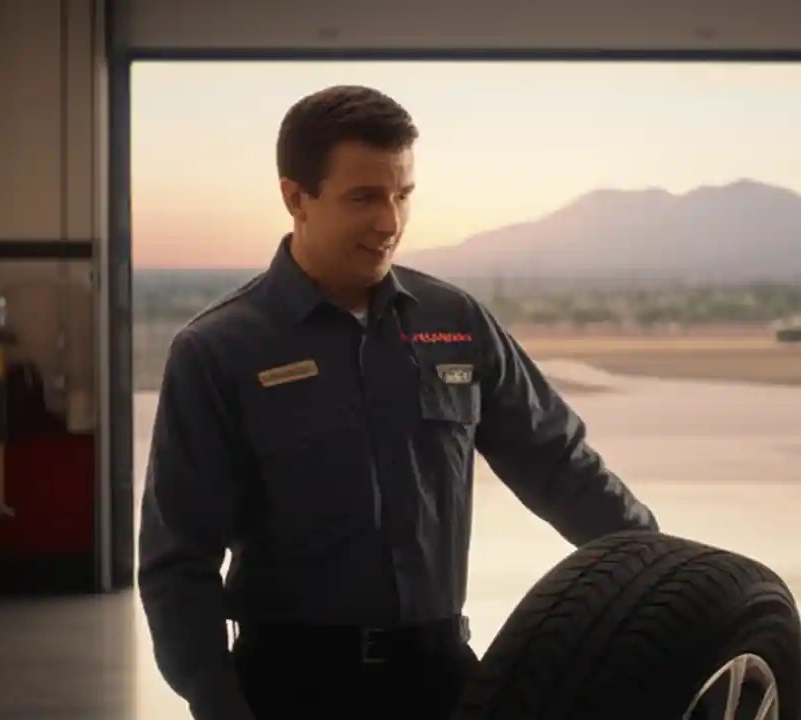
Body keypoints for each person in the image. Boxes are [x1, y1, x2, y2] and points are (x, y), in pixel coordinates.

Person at [137, 84, 659, 720]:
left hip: (440, 677)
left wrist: (668, 571)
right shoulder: (218, 352)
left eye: (401, 195)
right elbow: (178, 560)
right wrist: (216, 702)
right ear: (295, 197)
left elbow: (559, 464)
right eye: (363, 197)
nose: (389, 221)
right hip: (289, 687)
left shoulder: (456, 320)